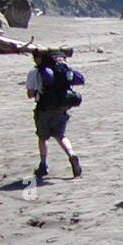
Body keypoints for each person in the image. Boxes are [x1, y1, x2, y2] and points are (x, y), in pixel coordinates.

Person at [25, 49, 81, 179]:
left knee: (42, 137)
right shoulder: (61, 70)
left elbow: (30, 94)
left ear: (37, 58)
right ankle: (71, 154)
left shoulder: (35, 72)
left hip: (43, 108)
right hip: (62, 107)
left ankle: (43, 165)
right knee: (60, 135)